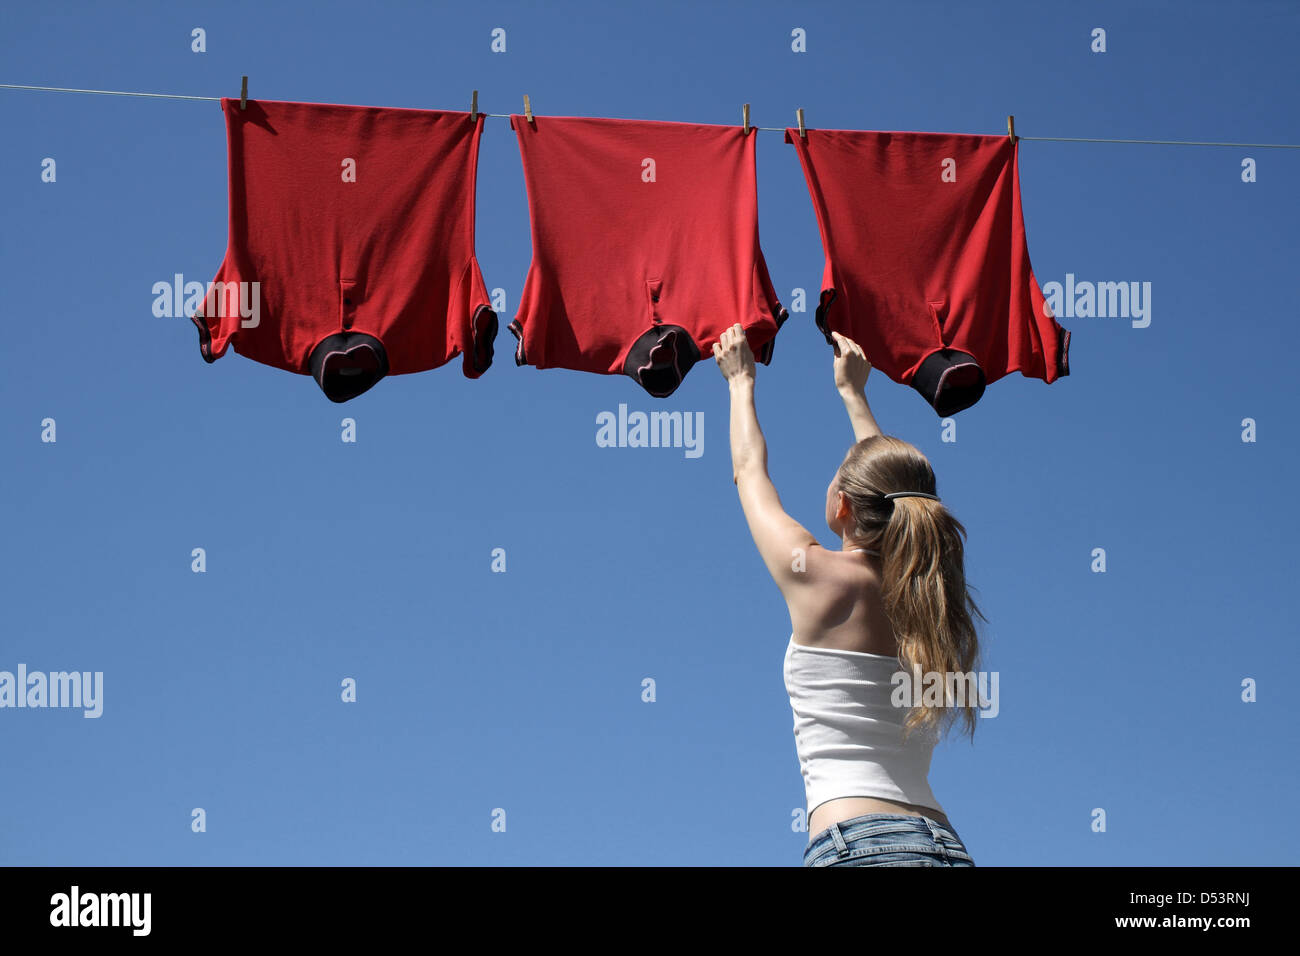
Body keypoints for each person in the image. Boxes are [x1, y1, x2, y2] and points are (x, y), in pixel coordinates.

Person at [714, 324, 985, 867]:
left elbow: (749, 471)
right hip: (942, 844)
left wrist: (740, 382)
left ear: (842, 506)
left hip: (860, 845)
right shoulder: (931, 601)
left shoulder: (818, 576)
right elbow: (899, 491)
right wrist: (853, 395)